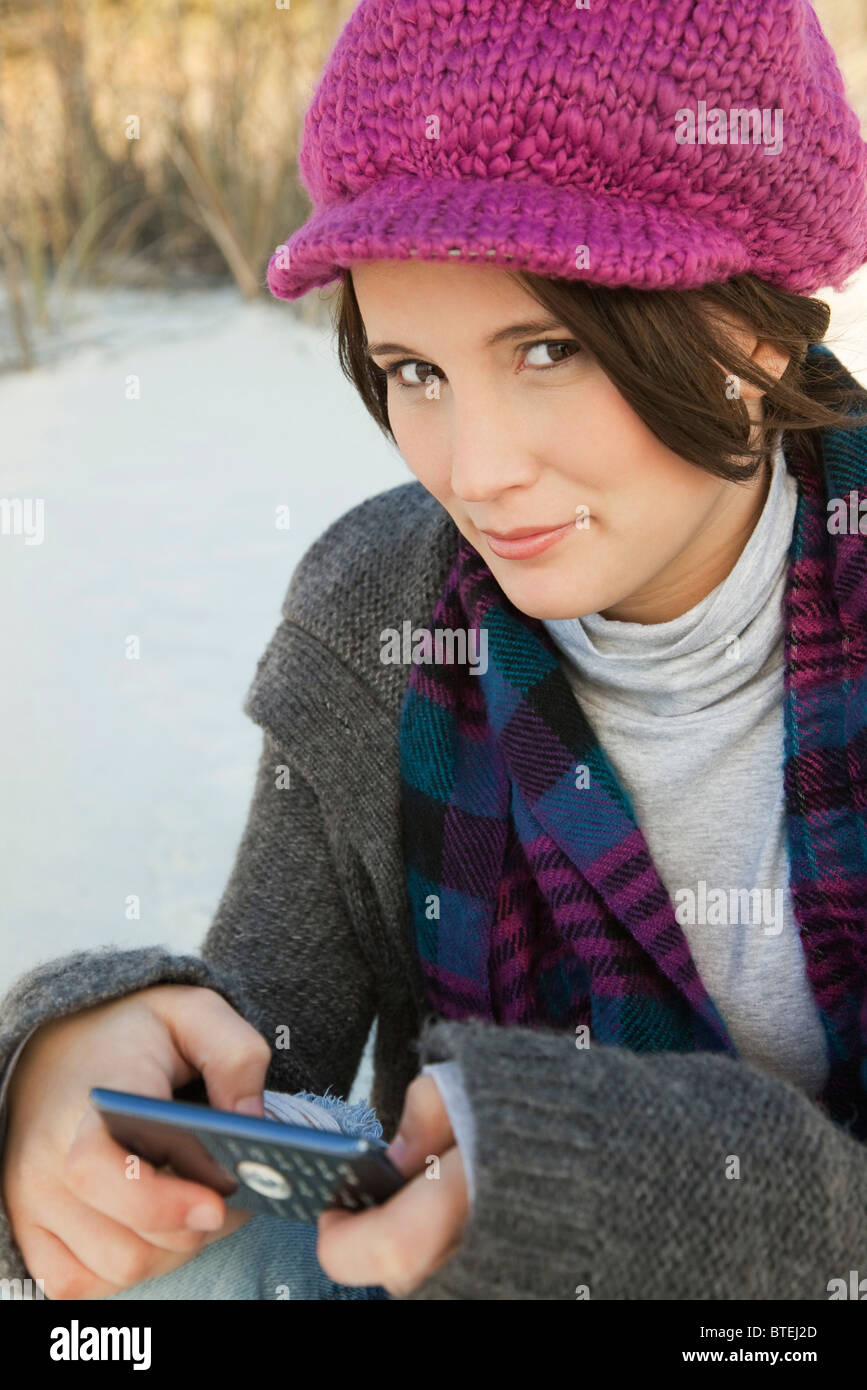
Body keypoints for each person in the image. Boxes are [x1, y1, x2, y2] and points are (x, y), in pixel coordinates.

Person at [3, 0, 867, 1302]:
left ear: (759, 322)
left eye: (548, 349)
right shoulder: (380, 617)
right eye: (414, 370)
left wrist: (587, 1174)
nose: (477, 471)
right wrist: (62, 1071)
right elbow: (256, 1065)